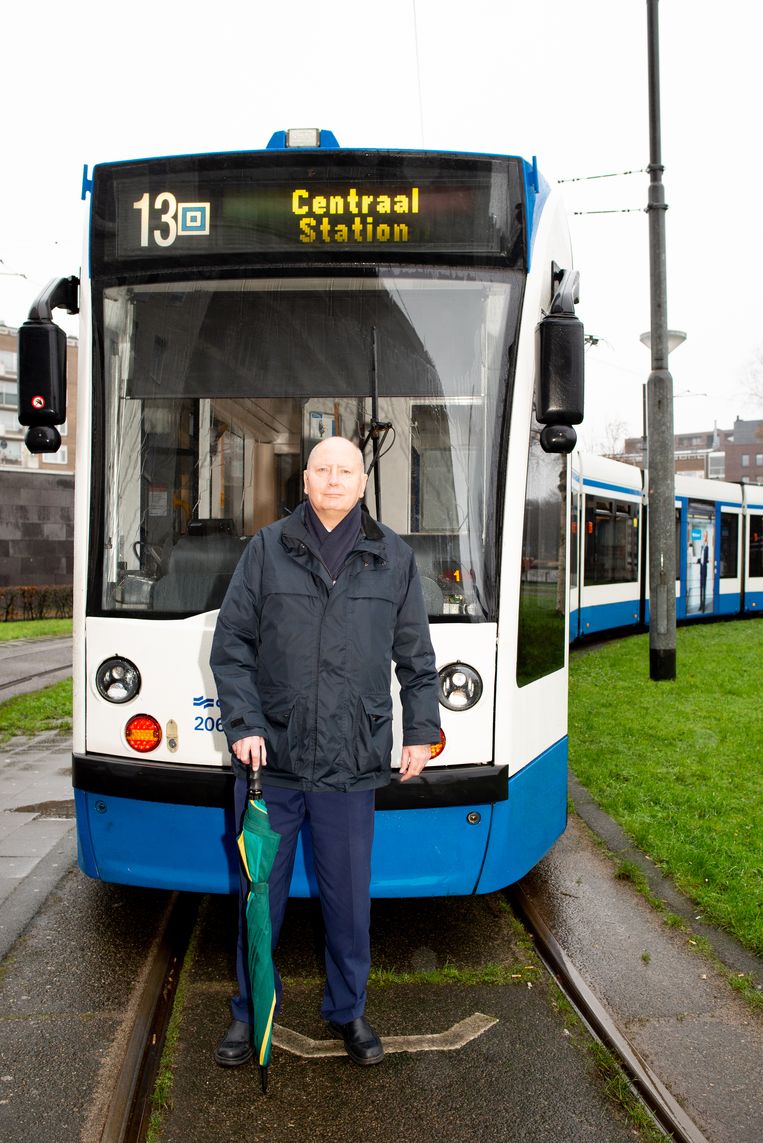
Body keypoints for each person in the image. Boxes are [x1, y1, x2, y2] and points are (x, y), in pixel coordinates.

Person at [210, 435, 441, 1068]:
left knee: (349, 905)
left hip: (352, 762)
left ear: (362, 483)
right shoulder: (265, 550)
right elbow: (232, 646)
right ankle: (251, 1012)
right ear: (306, 481)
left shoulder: (393, 557)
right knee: (260, 899)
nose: (334, 479)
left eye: (346, 470)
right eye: (323, 469)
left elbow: (417, 658)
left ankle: (349, 1010)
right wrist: (243, 723)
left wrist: (421, 731)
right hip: (271, 764)